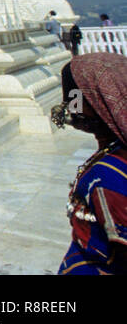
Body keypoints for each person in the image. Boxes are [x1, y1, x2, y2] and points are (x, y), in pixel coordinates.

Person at [51, 53, 127, 274]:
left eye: (75, 98)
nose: (69, 106)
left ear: (101, 99)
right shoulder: (113, 150)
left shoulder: (108, 176)